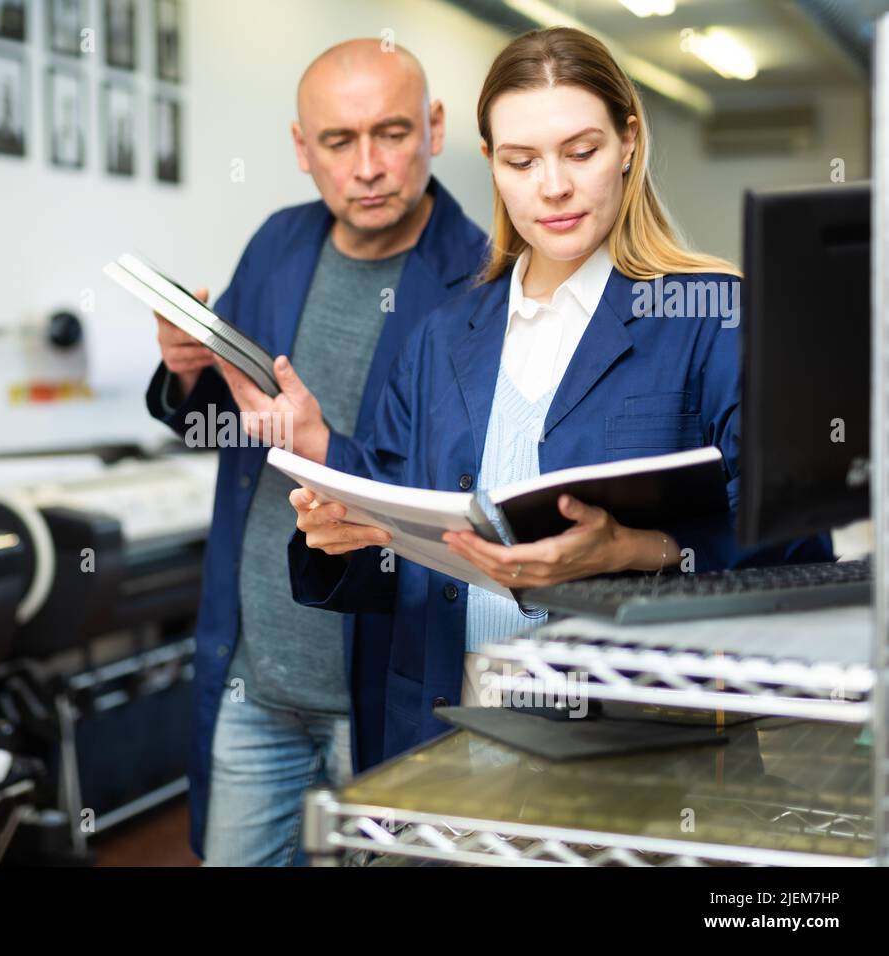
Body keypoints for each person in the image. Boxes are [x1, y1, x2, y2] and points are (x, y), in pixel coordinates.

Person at [288, 27, 832, 760]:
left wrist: (640, 550)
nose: (553, 186)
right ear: (490, 163)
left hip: (638, 752)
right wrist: (338, 539)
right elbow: (405, 548)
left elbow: (796, 553)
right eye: (521, 160)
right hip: (443, 743)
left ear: (629, 141)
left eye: (582, 152)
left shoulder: (713, 316)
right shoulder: (442, 335)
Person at [145, 39, 486, 865]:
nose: (367, 166)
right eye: (338, 141)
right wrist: (184, 372)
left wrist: (324, 444)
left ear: (434, 129)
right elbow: (214, 432)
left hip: (384, 691)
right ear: (303, 149)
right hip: (254, 678)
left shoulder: (483, 275)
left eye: (391, 133)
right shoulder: (277, 246)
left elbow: (464, 492)